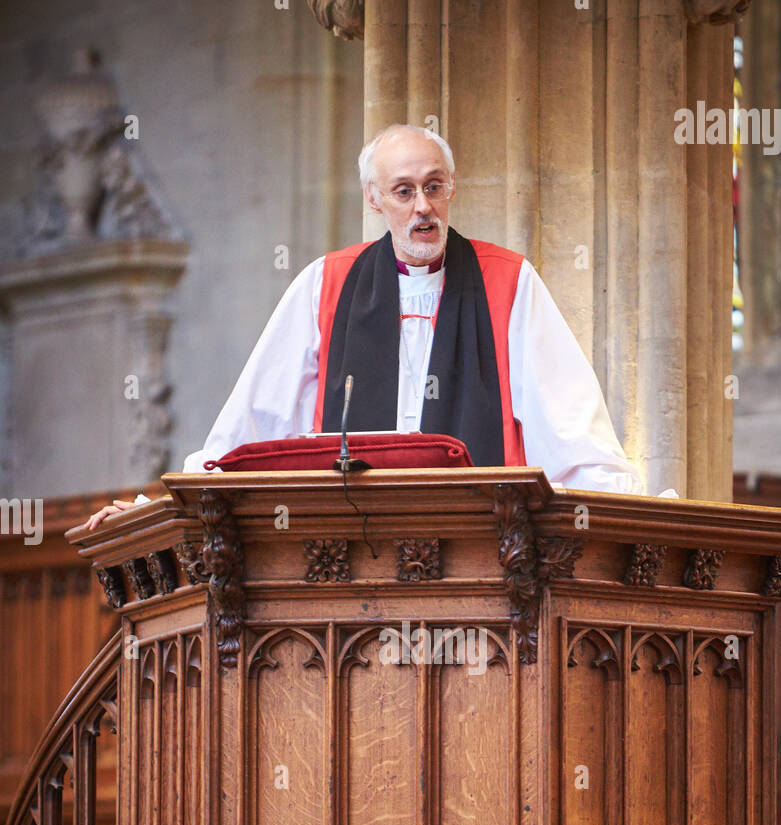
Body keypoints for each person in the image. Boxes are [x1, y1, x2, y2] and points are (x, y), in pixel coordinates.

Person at [86, 125, 647, 530]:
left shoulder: (508, 283)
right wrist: (154, 509)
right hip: (348, 551)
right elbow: (246, 433)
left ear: (452, 188)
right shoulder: (324, 286)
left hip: (476, 550)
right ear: (375, 199)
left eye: (435, 186)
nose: (422, 207)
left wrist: (631, 512)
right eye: (404, 191)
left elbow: (573, 430)